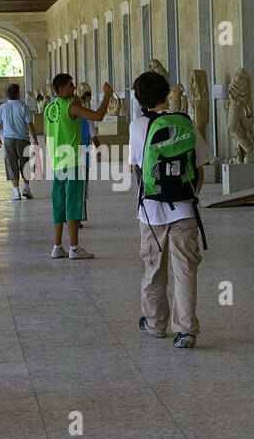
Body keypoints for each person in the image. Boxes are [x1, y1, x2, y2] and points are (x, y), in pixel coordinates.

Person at [129, 69, 212, 349]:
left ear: (141, 99)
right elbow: (200, 169)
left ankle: (155, 324)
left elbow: (136, 168)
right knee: (185, 271)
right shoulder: (185, 122)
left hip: (151, 213)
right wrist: (189, 196)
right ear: (167, 93)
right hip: (185, 212)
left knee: (154, 269)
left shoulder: (138, 126)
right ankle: (186, 330)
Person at [44, 72, 112, 260]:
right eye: (71, 85)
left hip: (57, 162)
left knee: (59, 204)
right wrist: (107, 94)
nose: (74, 88)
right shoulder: (70, 107)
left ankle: (57, 246)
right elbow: (98, 116)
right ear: (61, 88)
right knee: (73, 205)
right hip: (73, 162)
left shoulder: (49, 108)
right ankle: (74, 248)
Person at [0, 83, 39, 201]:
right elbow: (30, 124)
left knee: (11, 164)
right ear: (18, 93)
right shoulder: (23, 106)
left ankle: (16, 192)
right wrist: (35, 140)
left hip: (8, 140)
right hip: (23, 139)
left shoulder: (2, 107)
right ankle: (27, 188)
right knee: (25, 164)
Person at [78, 89, 101, 223]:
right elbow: (93, 135)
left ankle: (68, 216)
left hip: (64, 157)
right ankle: (78, 217)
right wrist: (98, 149)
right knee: (80, 188)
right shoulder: (85, 117)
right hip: (82, 156)